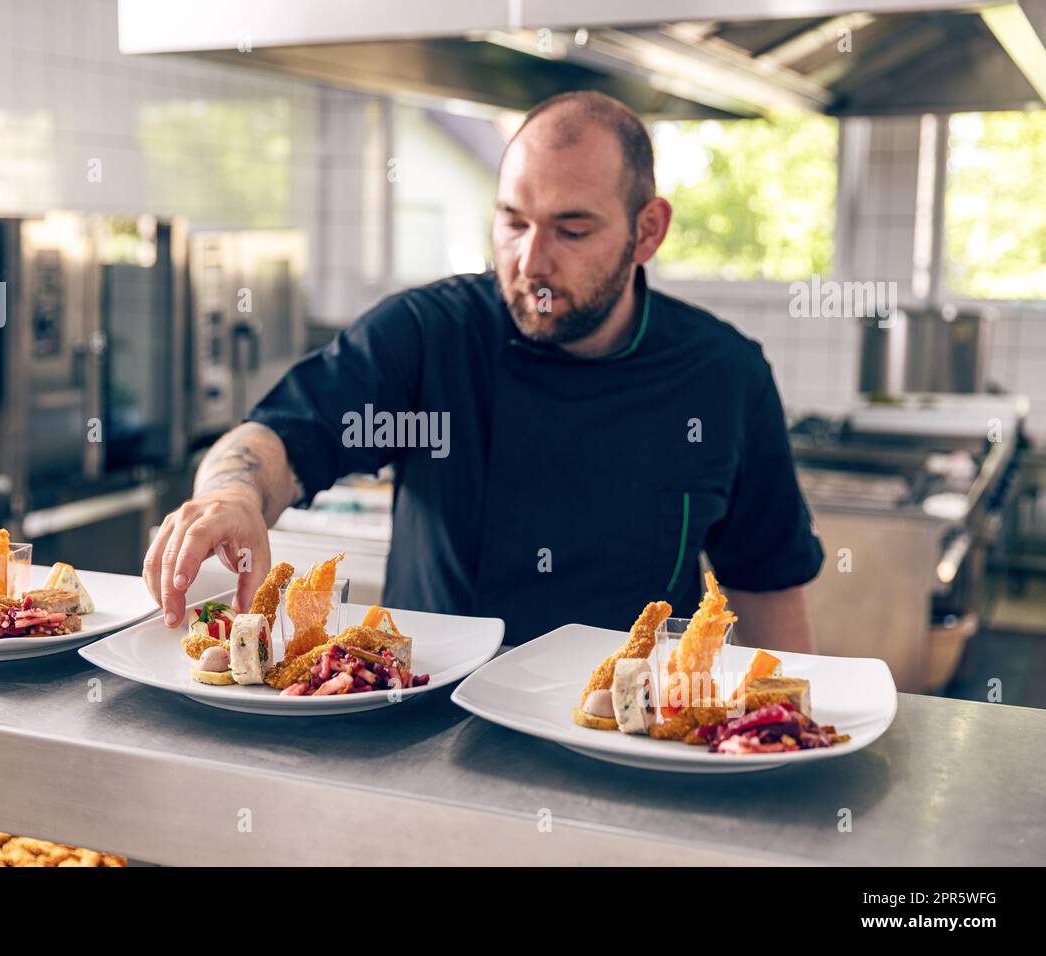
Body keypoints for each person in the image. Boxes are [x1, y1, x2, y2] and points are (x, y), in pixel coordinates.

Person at [143, 90, 823, 650]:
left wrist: (777, 738)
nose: (530, 261)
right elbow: (280, 438)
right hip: (433, 739)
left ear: (647, 231)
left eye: (572, 230)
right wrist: (232, 497)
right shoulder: (428, 336)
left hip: (636, 747)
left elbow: (766, 588)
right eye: (512, 222)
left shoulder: (723, 375)